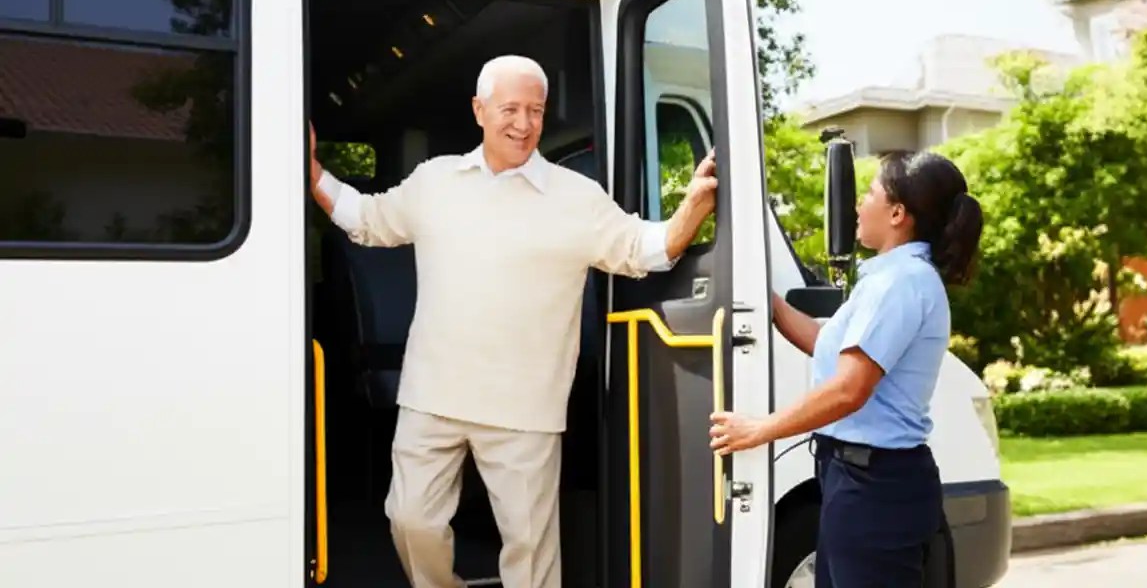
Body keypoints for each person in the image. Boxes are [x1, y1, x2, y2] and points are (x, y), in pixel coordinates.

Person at [310, 54, 717, 588]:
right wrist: (312, 171)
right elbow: (365, 220)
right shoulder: (435, 182)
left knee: (530, 556)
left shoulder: (576, 198)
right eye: (509, 109)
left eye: (536, 111)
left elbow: (642, 250)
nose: (523, 124)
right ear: (479, 111)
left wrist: (691, 208)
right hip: (433, 395)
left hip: (526, 408)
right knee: (410, 520)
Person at [708, 150, 983, 587]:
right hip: (859, 482)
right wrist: (765, 298)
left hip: (876, 489)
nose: (858, 205)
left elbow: (848, 389)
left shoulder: (902, 283)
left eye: (870, 192)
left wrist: (759, 429)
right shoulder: (886, 279)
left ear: (897, 213)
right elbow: (828, 346)